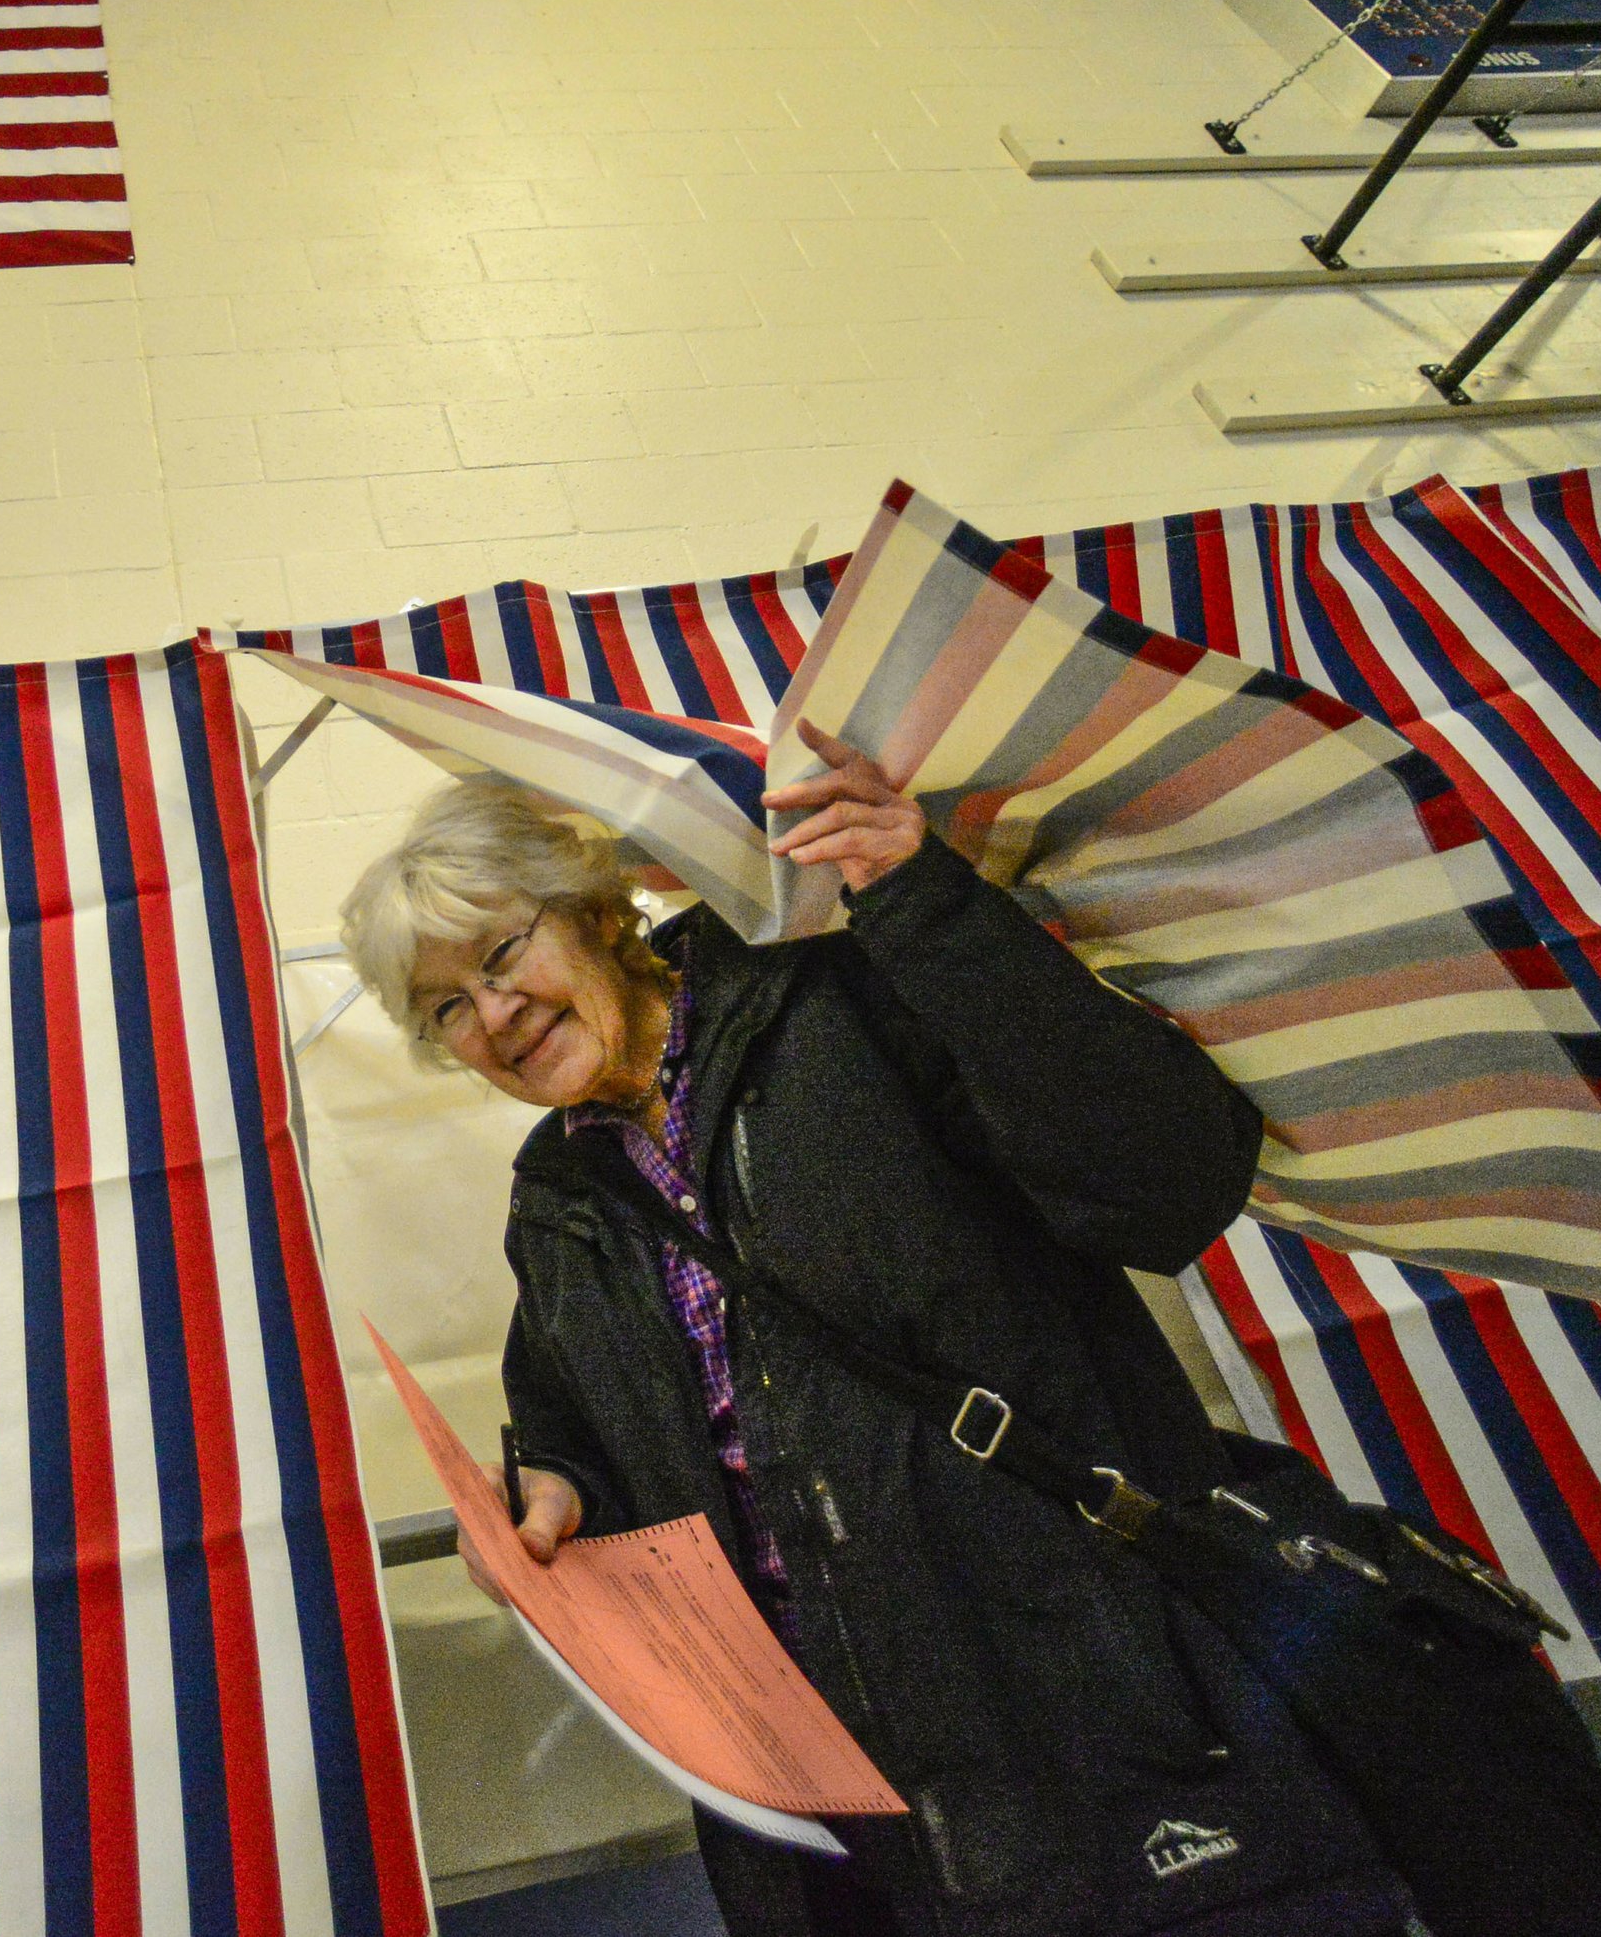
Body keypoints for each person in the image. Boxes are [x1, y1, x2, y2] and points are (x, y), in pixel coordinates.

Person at [339, 727, 1428, 1937]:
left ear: (596, 908)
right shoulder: (559, 1197)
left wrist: (928, 908)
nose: (494, 1012)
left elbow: (1167, 1179)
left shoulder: (840, 1004)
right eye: (447, 1008)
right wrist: (547, 1494)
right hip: (841, 1824)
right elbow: (577, 1432)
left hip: (1110, 1742)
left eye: (500, 953)